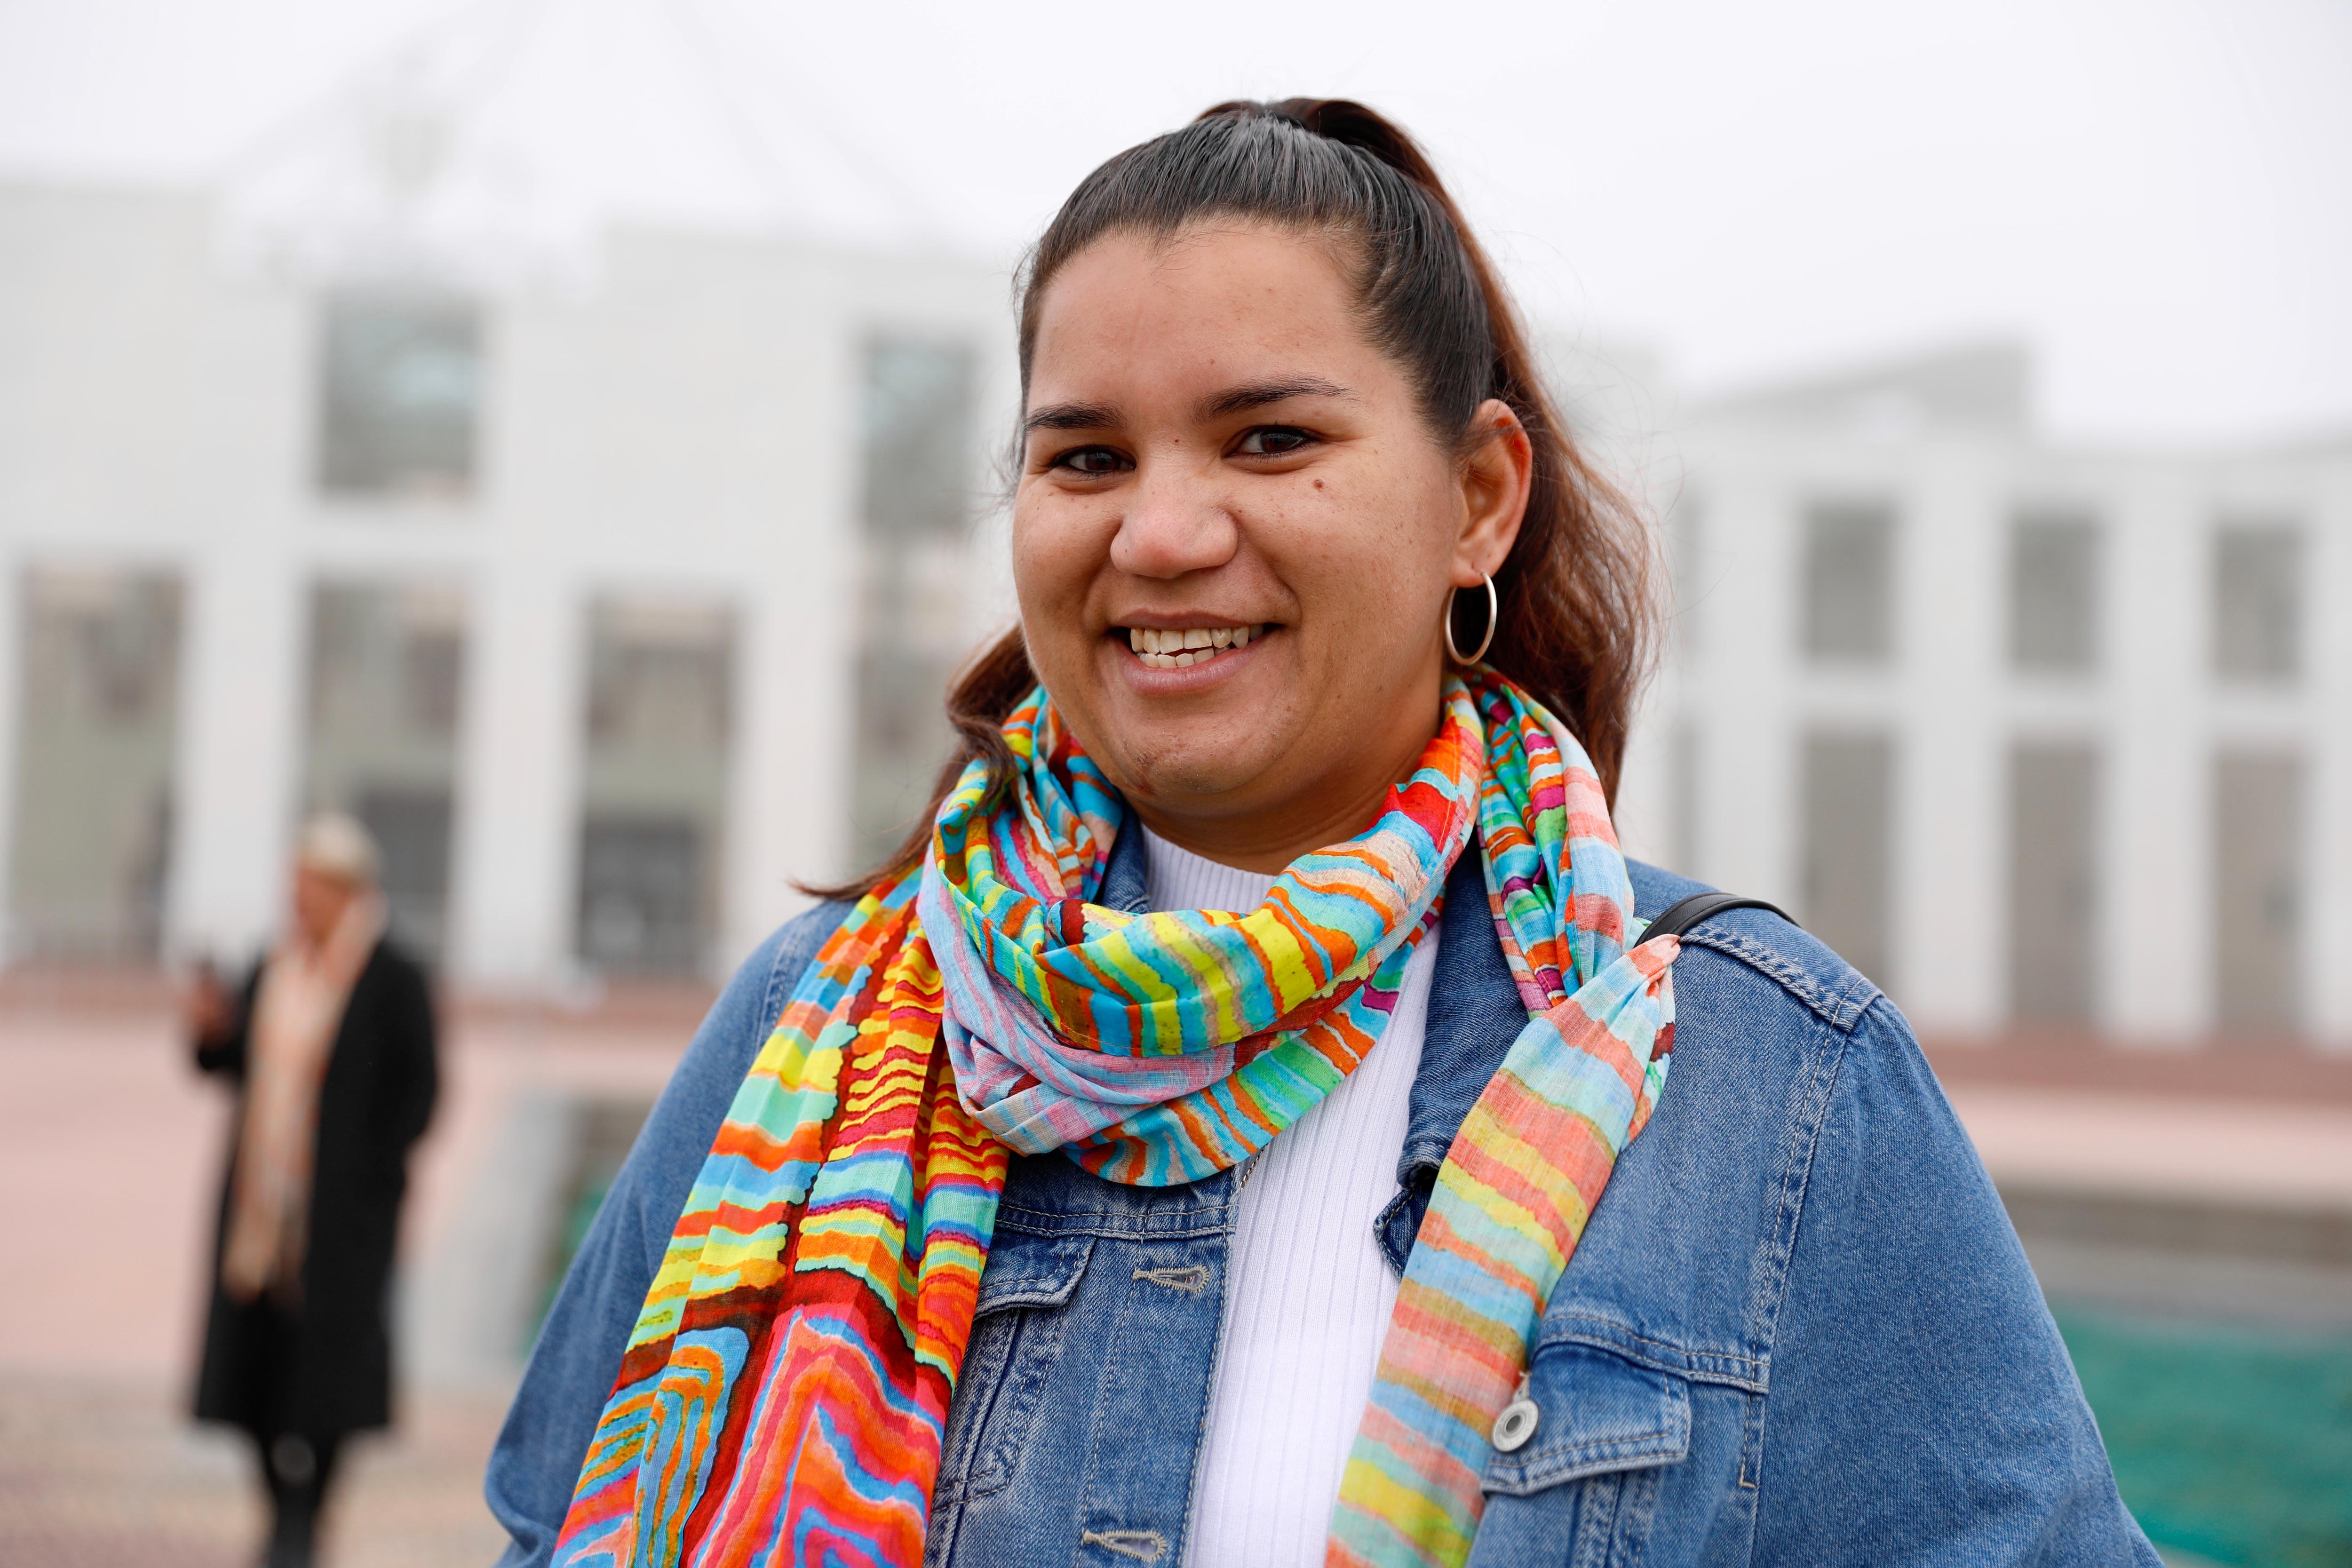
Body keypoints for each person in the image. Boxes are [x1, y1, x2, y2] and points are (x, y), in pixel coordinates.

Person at [485, 101, 2157, 1568]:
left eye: (1270, 439)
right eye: (1087, 456)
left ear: (1480, 498)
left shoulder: (1767, 1080)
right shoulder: (813, 1025)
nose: (1161, 530)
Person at [190, 812, 439, 1568]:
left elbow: (420, 1092)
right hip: (261, 1209)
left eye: (311, 886)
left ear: (345, 890)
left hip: (343, 1220)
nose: (298, 899)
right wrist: (207, 1032)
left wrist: (369, 1177)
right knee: (250, 1364)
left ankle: (306, 1515)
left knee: (331, 1376)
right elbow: (234, 1061)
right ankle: (278, 1509)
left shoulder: (393, 976)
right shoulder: (276, 966)